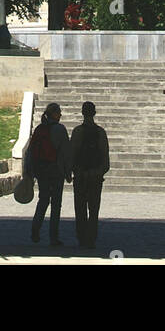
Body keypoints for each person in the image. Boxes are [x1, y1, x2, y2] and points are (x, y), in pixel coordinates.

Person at [26, 103, 72, 245]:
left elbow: (30, 151)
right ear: (53, 114)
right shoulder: (60, 129)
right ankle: (53, 236)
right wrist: (68, 172)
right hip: (56, 170)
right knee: (56, 203)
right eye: (59, 112)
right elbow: (65, 153)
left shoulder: (39, 129)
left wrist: (29, 171)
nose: (61, 115)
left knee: (43, 199)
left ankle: (35, 228)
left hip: (41, 170)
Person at [70, 101, 109, 248]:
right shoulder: (101, 133)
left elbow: (71, 154)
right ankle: (91, 238)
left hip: (80, 176)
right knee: (93, 210)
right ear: (94, 112)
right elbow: (106, 160)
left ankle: (81, 238)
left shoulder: (77, 132)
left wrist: (74, 171)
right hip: (95, 177)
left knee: (80, 209)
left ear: (82, 112)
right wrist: (96, 172)